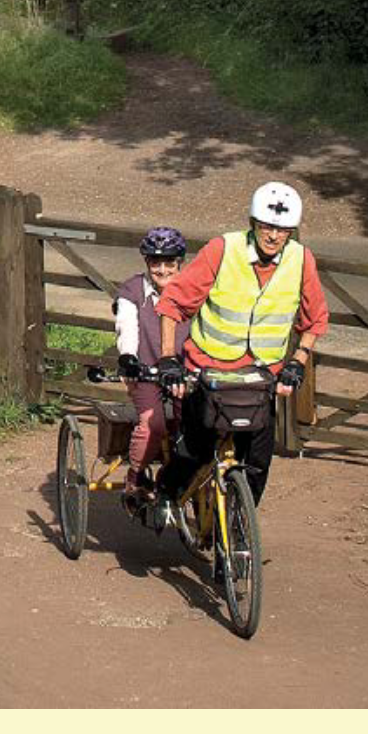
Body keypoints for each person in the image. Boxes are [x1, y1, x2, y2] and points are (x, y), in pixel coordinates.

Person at [156, 181, 329, 510]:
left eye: (283, 229)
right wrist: (168, 358)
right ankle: (167, 493)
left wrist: (298, 360)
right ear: (253, 223)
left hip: (261, 378)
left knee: (258, 464)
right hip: (208, 371)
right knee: (194, 452)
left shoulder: (301, 260)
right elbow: (173, 303)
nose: (274, 236)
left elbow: (315, 318)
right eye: (267, 226)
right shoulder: (223, 250)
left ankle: (237, 534)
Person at [113, 227, 188, 510]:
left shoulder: (193, 289)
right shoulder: (132, 291)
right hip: (145, 369)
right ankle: (135, 477)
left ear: (180, 262)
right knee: (152, 424)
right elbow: (127, 326)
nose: (163, 269)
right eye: (156, 262)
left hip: (184, 370)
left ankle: (182, 479)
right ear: (147, 263)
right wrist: (128, 358)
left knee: (192, 425)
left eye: (170, 262)